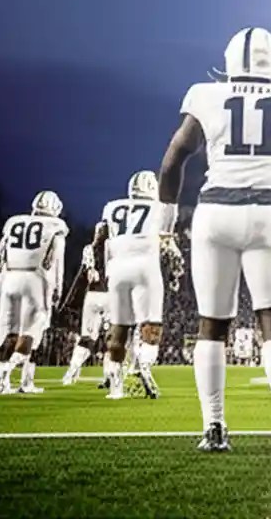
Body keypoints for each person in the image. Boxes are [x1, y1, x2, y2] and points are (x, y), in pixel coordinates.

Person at [157, 27, 271, 453]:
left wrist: (166, 224)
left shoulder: (205, 94)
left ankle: (214, 429)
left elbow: (173, 160)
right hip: (266, 214)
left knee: (211, 325)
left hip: (213, 214)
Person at [99, 170, 182, 400]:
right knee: (151, 325)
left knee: (119, 328)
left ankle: (116, 387)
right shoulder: (162, 207)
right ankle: (142, 364)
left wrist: (105, 272)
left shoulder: (112, 207)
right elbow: (167, 244)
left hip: (117, 268)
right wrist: (176, 271)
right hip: (146, 267)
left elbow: (103, 241)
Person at [0, 191, 69, 395]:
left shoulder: (15, 224)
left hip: (9, 277)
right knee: (32, 332)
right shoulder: (55, 229)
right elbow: (56, 264)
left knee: (10, 332)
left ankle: (8, 377)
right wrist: (57, 291)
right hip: (35, 280)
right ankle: (7, 373)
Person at [62, 224, 111, 387]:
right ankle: (109, 375)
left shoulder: (89, 249)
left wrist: (71, 299)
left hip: (92, 296)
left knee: (87, 338)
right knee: (111, 338)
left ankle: (71, 372)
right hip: (110, 295)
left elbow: (84, 275)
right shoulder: (115, 248)